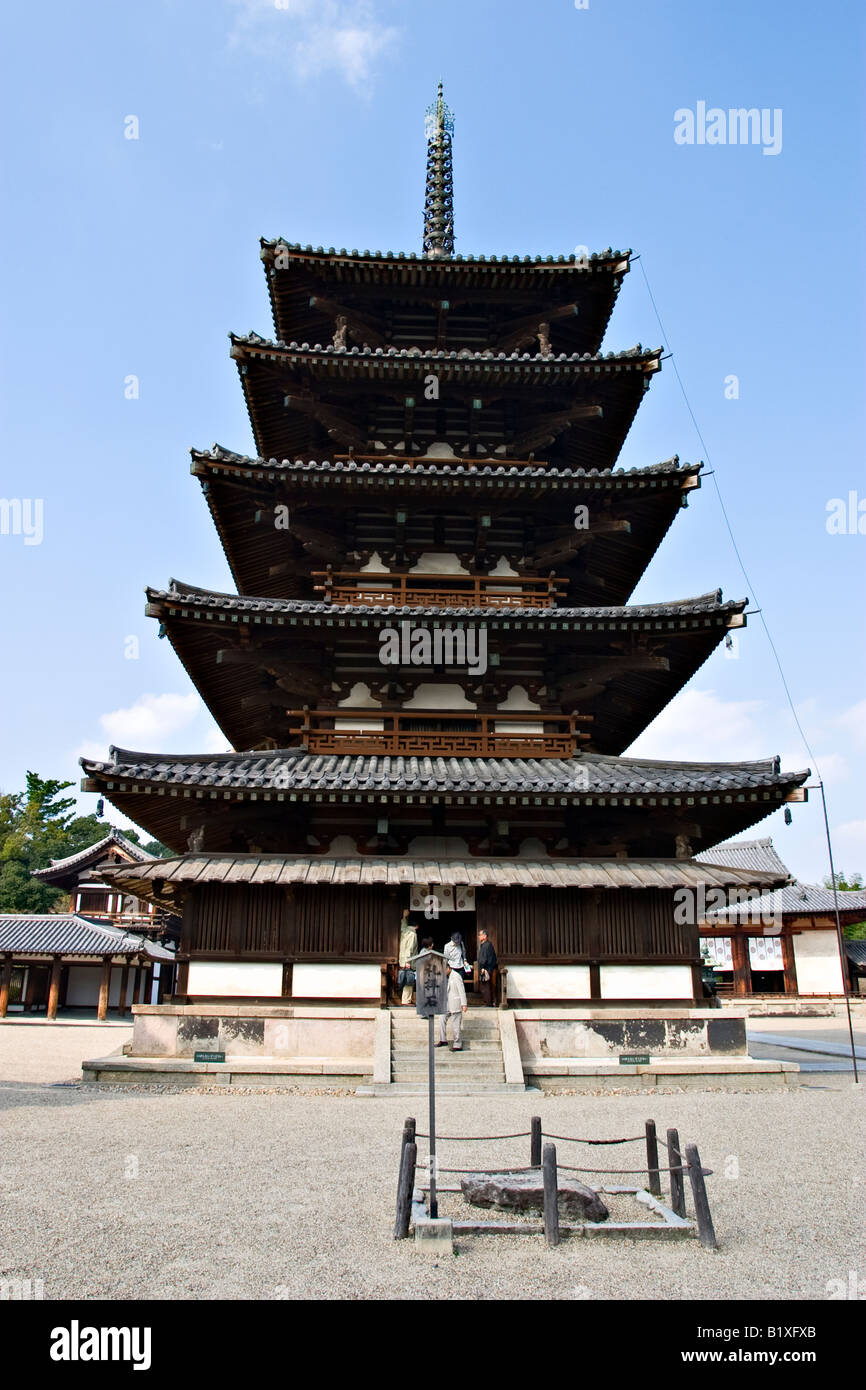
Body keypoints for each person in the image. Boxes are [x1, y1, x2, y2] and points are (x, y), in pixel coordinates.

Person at [397, 909, 418, 1005]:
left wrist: (404, 916)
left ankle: (407, 999)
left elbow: (403, 925)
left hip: (403, 959)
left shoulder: (404, 931)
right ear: (416, 926)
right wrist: (408, 961)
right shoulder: (413, 934)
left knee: (406, 979)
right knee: (409, 980)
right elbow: (410, 948)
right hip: (408, 960)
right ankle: (406, 1000)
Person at [477, 927, 498, 1007]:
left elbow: (484, 958)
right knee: (486, 985)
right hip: (488, 968)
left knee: (485, 986)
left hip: (486, 968)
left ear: (484, 936)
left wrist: (483, 967)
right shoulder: (486, 945)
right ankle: (488, 1002)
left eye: (480, 935)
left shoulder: (486, 945)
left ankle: (488, 1003)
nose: (479, 936)